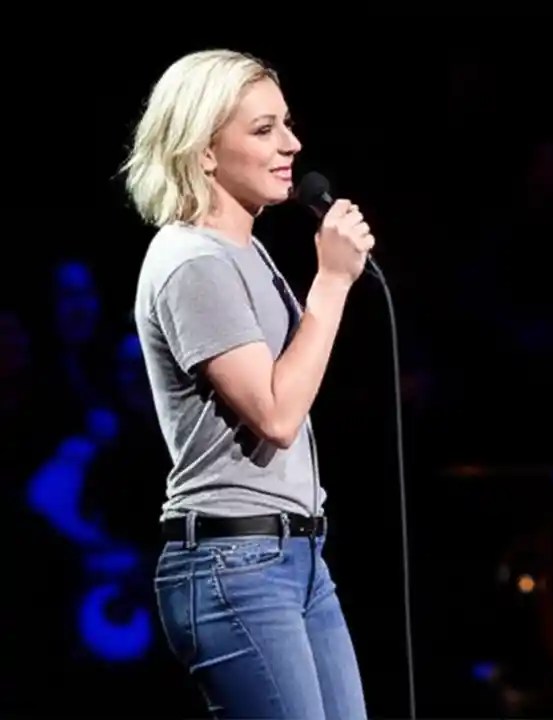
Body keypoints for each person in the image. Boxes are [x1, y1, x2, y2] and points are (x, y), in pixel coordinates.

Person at [123, 49, 374, 719]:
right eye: (263, 130)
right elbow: (275, 414)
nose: (291, 143)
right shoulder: (190, 261)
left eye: (286, 124)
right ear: (204, 149)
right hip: (236, 565)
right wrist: (332, 282)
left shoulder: (245, 250)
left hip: (295, 558)